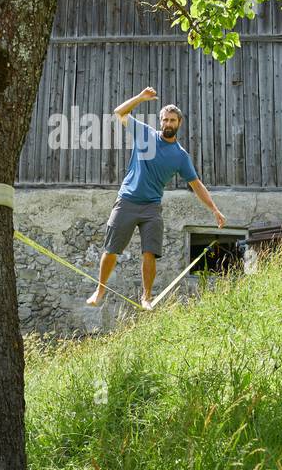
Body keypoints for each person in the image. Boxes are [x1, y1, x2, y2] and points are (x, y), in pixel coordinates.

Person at [85, 87, 225, 310]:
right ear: (160, 121)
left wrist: (214, 210)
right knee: (111, 249)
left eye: (172, 120)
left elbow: (196, 184)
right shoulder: (145, 134)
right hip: (127, 200)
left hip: (152, 207)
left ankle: (146, 297)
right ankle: (100, 290)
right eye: (165, 120)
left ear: (179, 123)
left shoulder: (180, 156)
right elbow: (119, 113)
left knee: (150, 252)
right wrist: (140, 98)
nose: (168, 124)